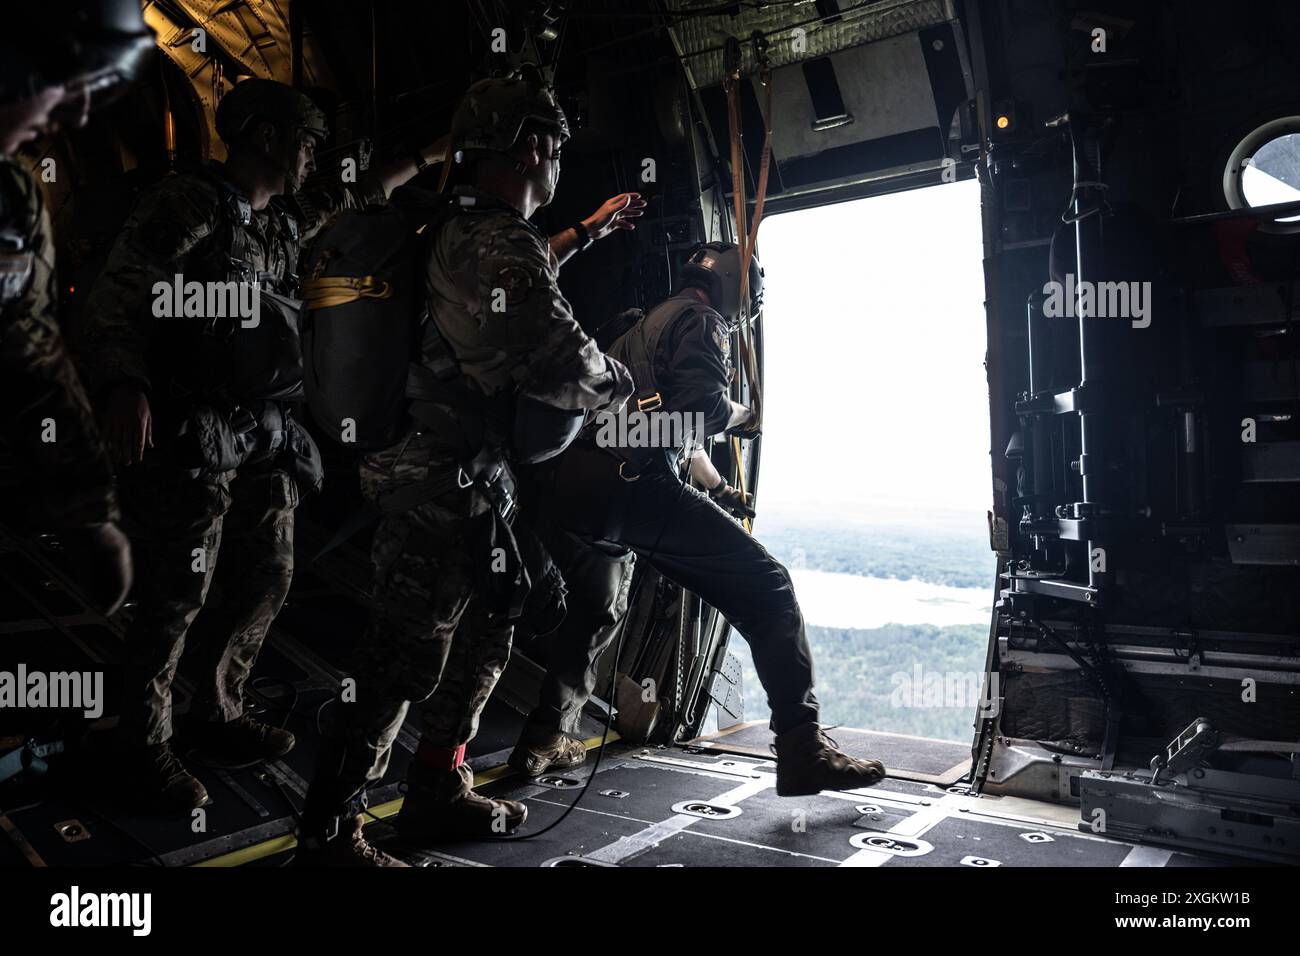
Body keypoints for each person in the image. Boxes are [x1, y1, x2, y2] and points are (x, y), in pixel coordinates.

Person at [296, 75, 637, 866]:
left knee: (492, 619)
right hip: (438, 482)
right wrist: (619, 386)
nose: (557, 165)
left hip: (467, 476)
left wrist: (583, 235)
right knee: (401, 654)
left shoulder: (459, 229)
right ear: (532, 147)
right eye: (554, 148)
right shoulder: (495, 239)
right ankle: (330, 833)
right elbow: (559, 357)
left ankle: (437, 784)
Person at [79, 76, 447, 811]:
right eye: (307, 143)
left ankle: (218, 709)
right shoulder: (187, 204)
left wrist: (428, 154)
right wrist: (125, 384)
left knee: (265, 575)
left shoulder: (279, 221)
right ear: (269, 138)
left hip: (259, 434)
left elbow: (354, 190)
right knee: (176, 595)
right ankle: (140, 745)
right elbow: (123, 288)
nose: (314, 158)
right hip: (191, 430)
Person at [508, 242, 889, 797]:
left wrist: (720, 491)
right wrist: (745, 415)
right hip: (635, 490)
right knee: (769, 588)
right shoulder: (704, 321)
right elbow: (702, 408)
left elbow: (665, 429)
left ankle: (546, 736)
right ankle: (803, 749)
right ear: (735, 287)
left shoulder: (638, 330)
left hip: (577, 487)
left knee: (597, 609)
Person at [0, 1, 153, 618]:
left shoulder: (11, 198)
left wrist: (90, 512)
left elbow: (28, 353)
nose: (79, 115)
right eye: (70, 86)